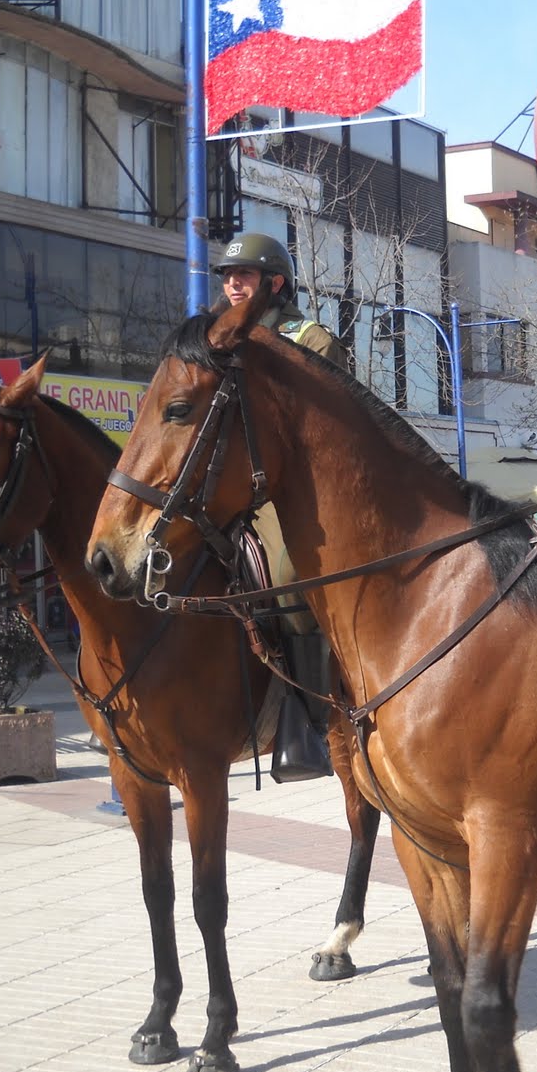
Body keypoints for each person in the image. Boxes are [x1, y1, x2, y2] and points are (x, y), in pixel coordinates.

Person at [213, 233, 345, 777]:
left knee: (287, 578)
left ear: (275, 283)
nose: (232, 284)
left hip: (287, 494)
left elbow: (326, 434)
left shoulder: (309, 340)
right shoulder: (214, 337)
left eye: (243, 274)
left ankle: (307, 720)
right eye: (228, 276)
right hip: (221, 487)